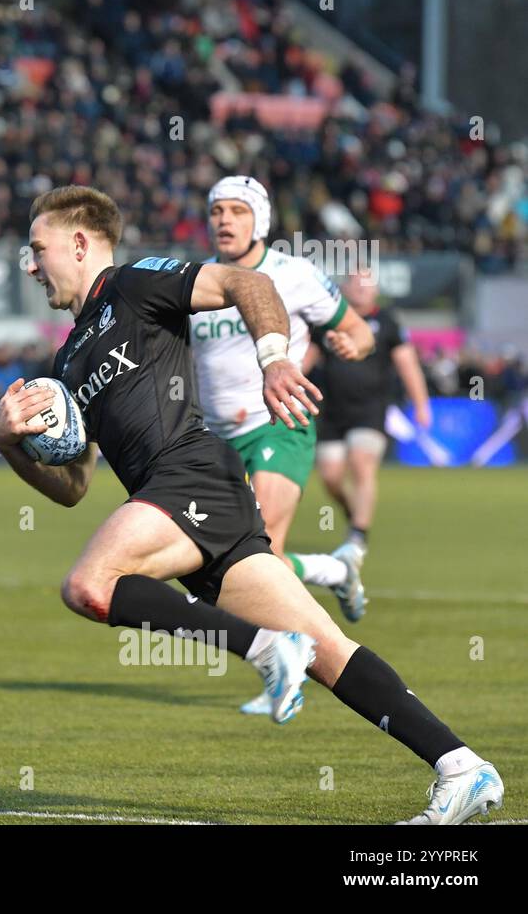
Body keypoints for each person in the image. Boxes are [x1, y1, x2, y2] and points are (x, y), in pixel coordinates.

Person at [0, 185, 502, 824]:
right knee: (327, 649)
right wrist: (8, 444)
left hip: (190, 475)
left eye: (37, 250)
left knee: (90, 585)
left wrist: (273, 361)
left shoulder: (135, 284)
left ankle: (263, 648)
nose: (32, 266)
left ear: (80, 242)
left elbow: (246, 286)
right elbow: (73, 489)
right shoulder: (65, 361)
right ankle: (461, 766)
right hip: (192, 498)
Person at [187, 176, 377, 716]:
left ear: (261, 221)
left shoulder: (295, 274)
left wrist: (350, 343)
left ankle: (285, 672)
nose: (224, 220)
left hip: (280, 424)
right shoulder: (200, 281)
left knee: (259, 555)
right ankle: (334, 571)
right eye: (216, 210)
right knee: (213, 572)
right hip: (214, 440)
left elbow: (360, 331)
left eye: (236, 211)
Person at [310, 268, 432, 565]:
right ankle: (354, 514)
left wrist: (421, 403)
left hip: (370, 409)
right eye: (356, 282)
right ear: (345, 288)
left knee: (361, 462)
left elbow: (407, 364)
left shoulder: (387, 323)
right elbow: (307, 359)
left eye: (368, 283)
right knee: (331, 477)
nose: (363, 288)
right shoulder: (328, 321)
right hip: (332, 412)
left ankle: (359, 533)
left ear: (376, 290)